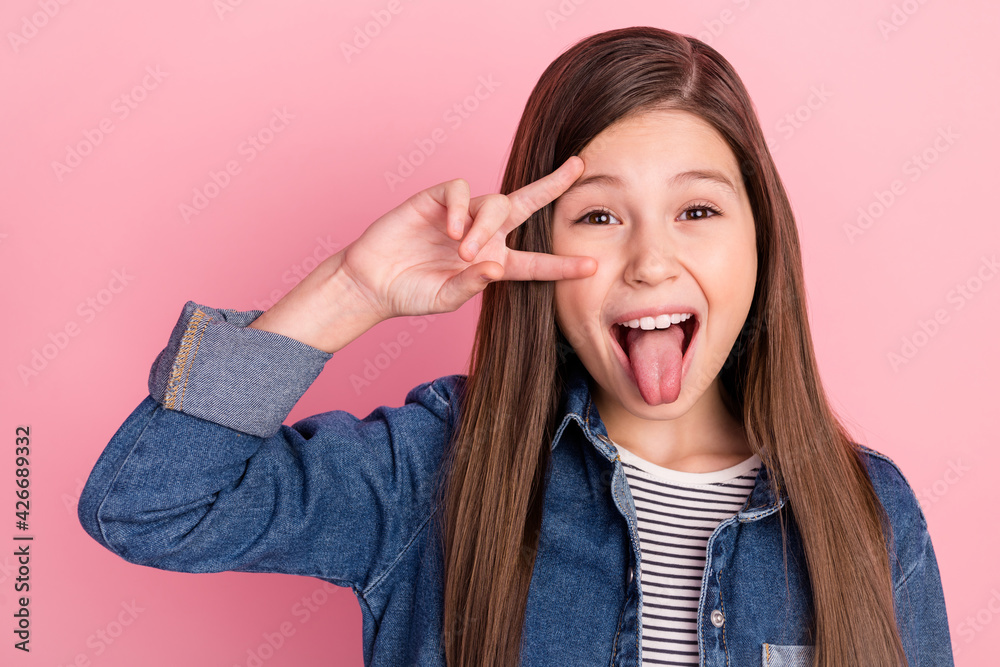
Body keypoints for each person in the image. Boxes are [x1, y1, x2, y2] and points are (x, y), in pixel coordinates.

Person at [78, 25, 954, 667]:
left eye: (697, 211)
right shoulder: (436, 468)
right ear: (537, 252)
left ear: (762, 243)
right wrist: (352, 289)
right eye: (600, 216)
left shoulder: (870, 513)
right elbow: (152, 504)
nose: (651, 262)